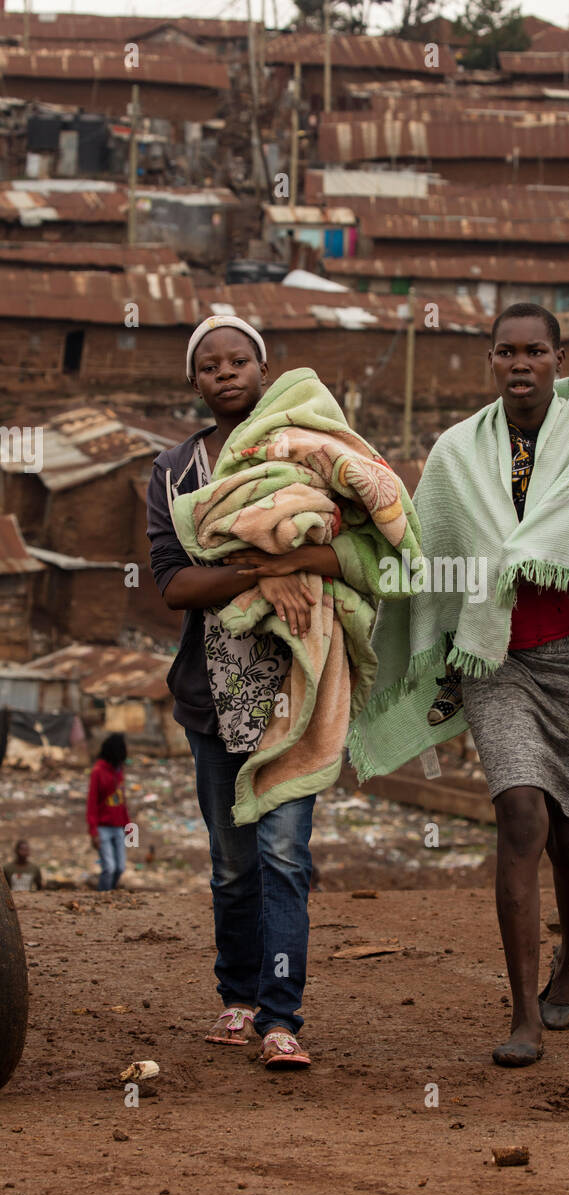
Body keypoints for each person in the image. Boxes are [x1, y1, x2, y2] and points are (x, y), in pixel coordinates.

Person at [349, 303, 569, 1068]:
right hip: (495, 660)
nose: (520, 363)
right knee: (520, 816)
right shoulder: (458, 454)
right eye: (506, 352)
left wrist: (532, 555)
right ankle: (523, 1012)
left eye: (536, 350)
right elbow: (432, 546)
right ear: (490, 362)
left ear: (560, 360)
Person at [146, 314, 419, 1070]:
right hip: (209, 694)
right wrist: (268, 570)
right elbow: (173, 584)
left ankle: (279, 1015)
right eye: (210, 365)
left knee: (286, 857)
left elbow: (367, 546)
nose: (226, 373)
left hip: (302, 687)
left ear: (266, 371)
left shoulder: (313, 449)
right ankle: (235, 996)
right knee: (232, 863)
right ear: (193, 381)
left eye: (240, 360)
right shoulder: (174, 472)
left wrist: (310, 559)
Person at [86, 734, 130, 891]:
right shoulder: (98, 771)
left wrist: (128, 825)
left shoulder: (119, 770)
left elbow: (122, 800)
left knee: (120, 867)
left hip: (118, 826)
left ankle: (109, 893)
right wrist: (93, 831)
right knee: (109, 868)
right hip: (103, 827)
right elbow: (92, 802)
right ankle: (102, 896)